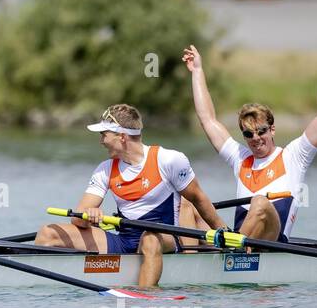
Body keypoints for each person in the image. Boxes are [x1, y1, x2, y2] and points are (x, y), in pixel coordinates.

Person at [34, 104, 227, 288]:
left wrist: (225, 233)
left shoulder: (168, 160)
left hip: (166, 237)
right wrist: (88, 216)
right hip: (125, 240)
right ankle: (38, 284)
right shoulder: (105, 170)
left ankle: (144, 297)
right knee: (48, 233)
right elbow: (78, 217)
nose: (101, 141)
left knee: (149, 239)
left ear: (122, 136)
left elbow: (199, 199)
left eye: (104, 135)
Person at [182, 40, 317, 241]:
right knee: (186, 204)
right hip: (239, 241)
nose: (255, 138)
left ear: (272, 129)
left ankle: (232, 248)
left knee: (259, 202)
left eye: (261, 131)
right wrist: (197, 71)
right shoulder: (240, 158)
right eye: (248, 134)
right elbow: (207, 119)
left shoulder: (294, 156)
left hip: (272, 242)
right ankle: (187, 260)